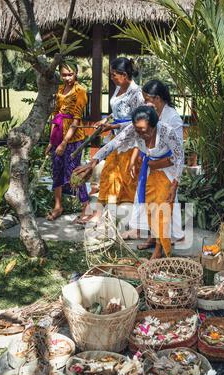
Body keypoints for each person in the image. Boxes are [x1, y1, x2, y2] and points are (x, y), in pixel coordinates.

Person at [74, 105, 184, 259]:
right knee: (151, 208)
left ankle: (160, 249)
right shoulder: (133, 130)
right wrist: (93, 162)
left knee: (162, 208)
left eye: (144, 130)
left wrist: (175, 184)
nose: (140, 134)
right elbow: (113, 144)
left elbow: (179, 158)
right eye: (137, 130)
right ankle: (155, 241)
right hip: (149, 168)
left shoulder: (167, 132)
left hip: (168, 169)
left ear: (154, 125)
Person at [123, 79, 185, 247]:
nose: (145, 103)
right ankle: (153, 237)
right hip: (150, 164)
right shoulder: (152, 112)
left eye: (147, 99)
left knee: (163, 203)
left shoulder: (173, 118)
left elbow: (179, 152)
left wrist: (157, 164)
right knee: (149, 201)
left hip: (167, 167)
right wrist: (136, 156)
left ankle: (163, 239)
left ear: (157, 98)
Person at [94, 57, 144, 208]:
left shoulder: (137, 93)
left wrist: (114, 127)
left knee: (128, 177)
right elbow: (117, 111)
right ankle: (107, 208)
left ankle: (131, 214)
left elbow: (140, 120)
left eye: (114, 74)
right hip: (115, 139)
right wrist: (106, 120)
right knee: (108, 173)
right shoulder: (117, 88)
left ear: (123, 74)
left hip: (131, 141)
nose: (112, 78)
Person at [45, 61, 89, 222]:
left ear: (76, 74)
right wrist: (52, 142)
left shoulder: (81, 91)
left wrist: (64, 143)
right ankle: (58, 206)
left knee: (74, 172)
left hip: (74, 138)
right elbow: (55, 117)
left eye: (70, 74)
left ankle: (86, 207)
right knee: (56, 170)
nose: (67, 78)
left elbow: (77, 120)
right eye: (64, 74)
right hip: (57, 136)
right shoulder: (59, 90)